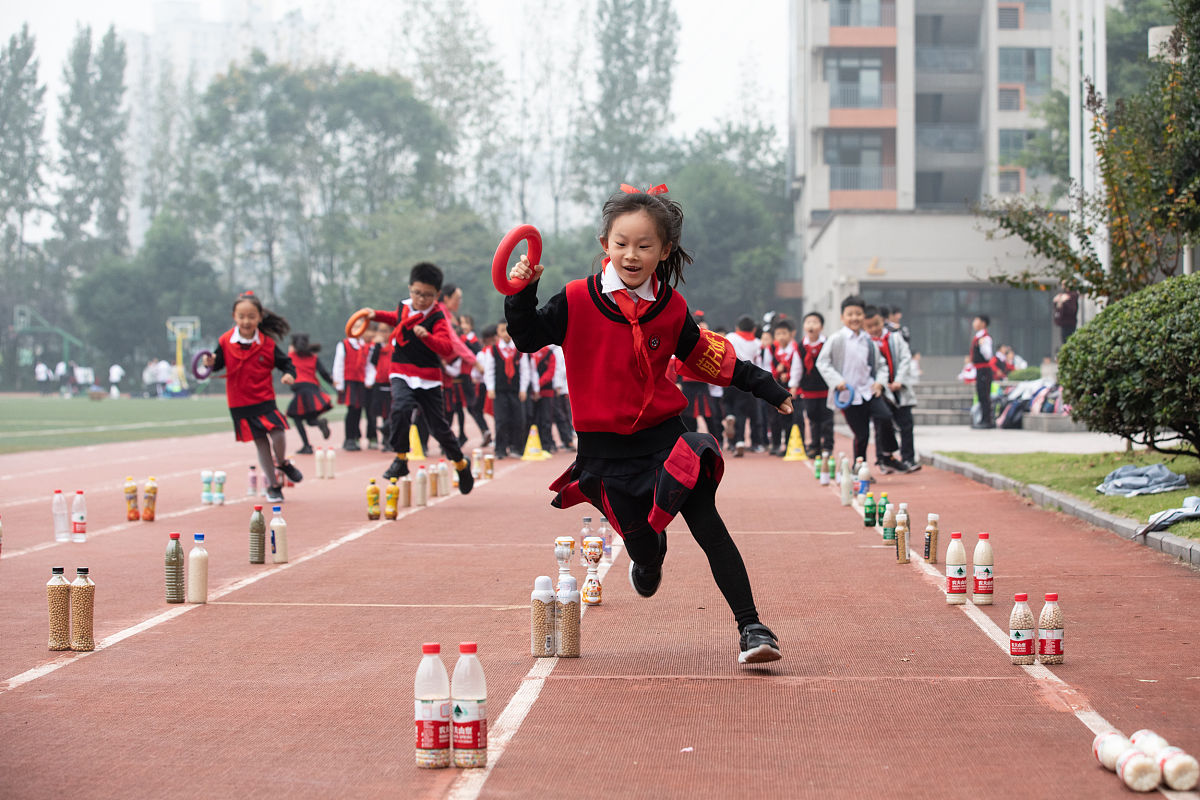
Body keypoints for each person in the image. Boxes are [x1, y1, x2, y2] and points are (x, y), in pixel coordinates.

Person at [504, 185, 790, 665]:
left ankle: (752, 627)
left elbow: (709, 358)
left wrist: (768, 387)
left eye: (643, 245)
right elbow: (527, 337)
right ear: (605, 244)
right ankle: (648, 554)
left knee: (708, 525)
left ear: (664, 250)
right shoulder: (576, 298)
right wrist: (522, 288)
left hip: (666, 440)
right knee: (644, 550)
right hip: (605, 455)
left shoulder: (672, 308)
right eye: (620, 244)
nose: (630, 255)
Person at [364, 262, 474, 493]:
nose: (421, 299)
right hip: (401, 370)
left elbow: (446, 348)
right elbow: (396, 319)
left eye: (428, 295)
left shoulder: (438, 318)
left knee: (439, 428)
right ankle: (401, 458)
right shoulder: (404, 306)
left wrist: (428, 337)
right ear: (410, 288)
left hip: (428, 377)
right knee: (401, 409)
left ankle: (461, 464)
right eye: (417, 293)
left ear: (437, 296)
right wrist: (375, 315)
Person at [200, 291, 302, 503]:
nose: (246, 321)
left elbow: (286, 363)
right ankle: (274, 486)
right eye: (241, 316)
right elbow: (217, 363)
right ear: (234, 317)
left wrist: (289, 375)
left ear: (259, 317)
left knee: (278, 432)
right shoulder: (226, 341)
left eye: (251, 316)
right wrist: (209, 363)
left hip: (264, 398)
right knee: (261, 443)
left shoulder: (267, 344)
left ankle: (282, 462)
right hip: (241, 402)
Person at [815, 295, 898, 466]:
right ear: (842, 317)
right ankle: (859, 467)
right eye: (850, 314)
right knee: (862, 434)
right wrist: (837, 381)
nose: (854, 318)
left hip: (868, 390)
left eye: (858, 314)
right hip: (849, 395)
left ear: (863, 316)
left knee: (885, 416)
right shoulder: (837, 339)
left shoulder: (868, 341)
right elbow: (822, 362)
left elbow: (881, 365)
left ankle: (887, 454)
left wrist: (879, 383)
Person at [863, 306, 920, 472]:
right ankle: (883, 459)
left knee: (906, 424)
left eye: (877, 324)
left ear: (883, 321)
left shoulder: (896, 338)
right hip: (879, 391)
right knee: (882, 425)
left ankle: (908, 458)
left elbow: (905, 359)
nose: (874, 329)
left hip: (899, 389)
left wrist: (899, 381)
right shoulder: (865, 342)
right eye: (870, 326)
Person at [482, 321, 529, 459]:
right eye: (503, 330)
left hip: (515, 391)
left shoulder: (520, 350)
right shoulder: (493, 350)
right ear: (498, 333)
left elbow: (524, 370)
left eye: (508, 330)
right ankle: (500, 449)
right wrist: (490, 388)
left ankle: (517, 447)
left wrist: (523, 389)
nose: (506, 334)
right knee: (501, 420)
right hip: (500, 391)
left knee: (518, 419)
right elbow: (489, 371)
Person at [790, 312, 834, 458]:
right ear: (804, 326)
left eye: (815, 322)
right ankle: (815, 446)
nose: (811, 325)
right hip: (808, 388)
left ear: (821, 326)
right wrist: (794, 385)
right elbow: (797, 367)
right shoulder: (801, 346)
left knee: (827, 419)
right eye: (808, 322)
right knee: (813, 418)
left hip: (826, 388)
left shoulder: (828, 344)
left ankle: (827, 446)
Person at [286, 333, 333, 455]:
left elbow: (286, 370)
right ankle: (319, 423)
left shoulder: (291, 356)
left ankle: (306, 445)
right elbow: (323, 373)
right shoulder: (313, 357)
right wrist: (332, 382)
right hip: (313, 391)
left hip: (301, 391)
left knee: (297, 417)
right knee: (310, 419)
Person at [723, 315, 763, 456]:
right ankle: (739, 441)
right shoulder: (757, 343)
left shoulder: (731, 337)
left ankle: (729, 415)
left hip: (728, 375)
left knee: (727, 402)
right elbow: (759, 363)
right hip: (746, 379)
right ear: (753, 329)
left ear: (737, 327)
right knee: (741, 410)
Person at [332, 328, 369, 450]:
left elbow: (368, 364)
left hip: (361, 382)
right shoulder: (344, 344)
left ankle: (355, 437)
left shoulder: (364, 345)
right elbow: (339, 363)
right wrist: (339, 383)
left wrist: (369, 380)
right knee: (351, 409)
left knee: (358, 411)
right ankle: (349, 438)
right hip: (349, 381)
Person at [767, 318, 799, 456]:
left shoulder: (795, 350)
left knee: (788, 418)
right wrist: (777, 372)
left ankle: (788, 445)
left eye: (784, 333)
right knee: (774, 418)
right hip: (774, 387)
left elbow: (798, 369)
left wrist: (790, 378)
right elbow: (766, 368)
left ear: (791, 334)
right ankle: (775, 444)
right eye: (778, 333)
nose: (781, 336)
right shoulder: (772, 350)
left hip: (788, 389)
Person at [365, 323, 394, 450]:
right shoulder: (375, 347)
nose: (383, 334)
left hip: (391, 383)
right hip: (378, 384)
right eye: (380, 331)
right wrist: (377, 345)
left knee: (388, 414)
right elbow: (372, 361)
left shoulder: (394, 346)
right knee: (375, 412)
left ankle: (388, 440)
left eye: (385, 331)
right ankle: (373, 437)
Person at [969, 314, 997, 429]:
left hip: (984, 370)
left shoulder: (985, 338)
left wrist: (982, 345)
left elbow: (988, 355)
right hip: (979, 370)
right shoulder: (978, 337)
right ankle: (983, 419)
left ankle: (987, 421)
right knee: (981, 395)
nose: (974, 323)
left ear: (983, 323)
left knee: (985, 395)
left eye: (976, 320)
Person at [1052, 282, 1079, 352]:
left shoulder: (1072, 295)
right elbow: (1058, 308)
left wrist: (1064, 301)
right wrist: (1058, 302)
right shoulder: (1064, 295)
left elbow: (1071, 310)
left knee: (1068, 341)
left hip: (1070, 323)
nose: (1063, 286)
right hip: (1063, 323)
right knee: (1064, 341)